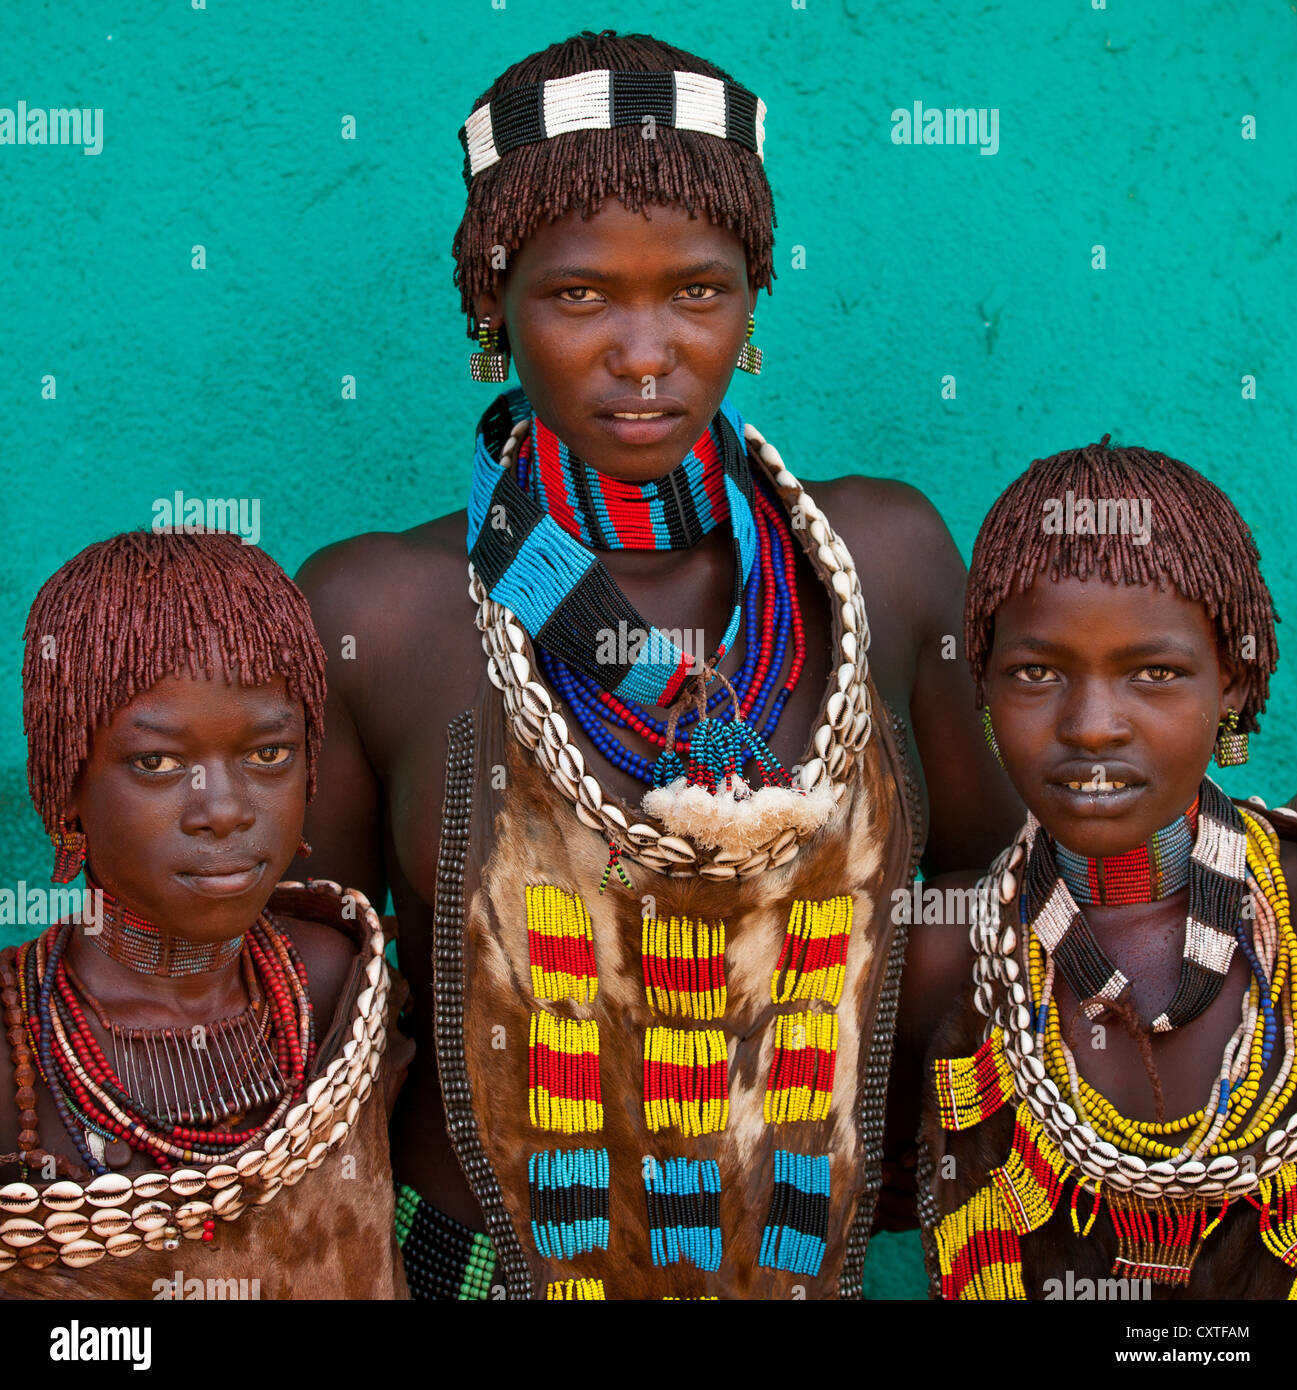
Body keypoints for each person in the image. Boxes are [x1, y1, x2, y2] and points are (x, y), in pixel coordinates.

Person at [296, 28, 1020, 1299]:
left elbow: (984, 884)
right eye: (578, 295)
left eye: (696, 288)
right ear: (492, 305)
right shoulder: (383, 612)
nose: (644, 352)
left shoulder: (882, 564)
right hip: (472, 1271)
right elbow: (318, 986)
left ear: (752, 298)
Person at [910, 437, 1297, 1298]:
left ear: (1232, 680)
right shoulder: (944, 957)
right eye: (1036, 672)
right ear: (981, 687)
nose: (1091, 726)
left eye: (1154, 673)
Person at [0, 531, 406, 1298]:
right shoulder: (15, 1042)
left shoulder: (343, 993)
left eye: (267, 755)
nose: (222, 811)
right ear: (67, 783)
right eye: (156, 764)